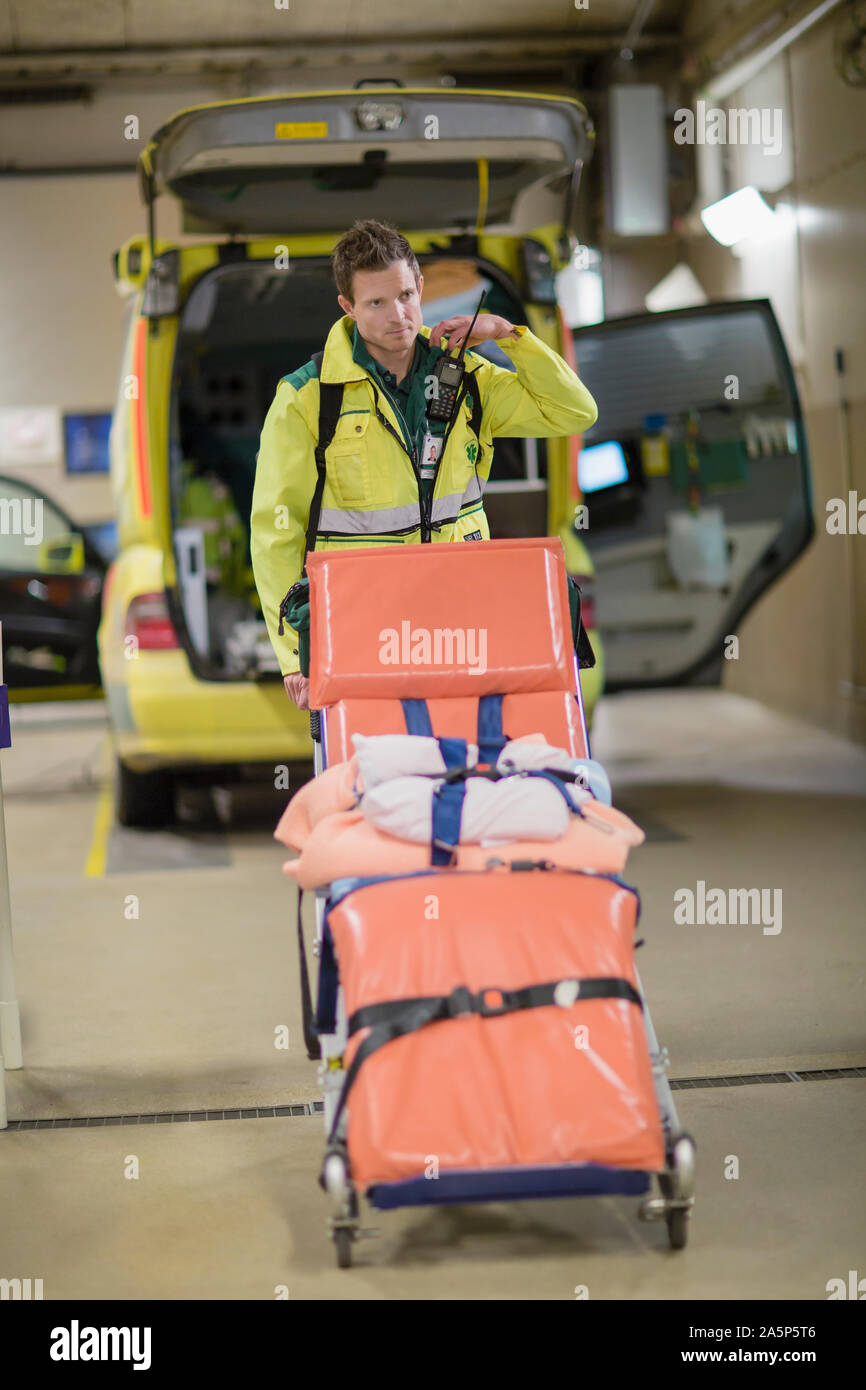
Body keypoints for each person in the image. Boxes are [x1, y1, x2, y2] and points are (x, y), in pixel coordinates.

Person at [250, 219, 598, 709]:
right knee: (374, 755)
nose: (398, 315)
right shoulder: (307, 398)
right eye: (376, 303)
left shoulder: (465, 376)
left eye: (406, 295)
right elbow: (276, 531)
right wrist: (295, 655)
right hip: (362, 628)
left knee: (465, 748)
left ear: (419, 287)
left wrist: (507, 334)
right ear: (348, 307)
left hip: (460, 623)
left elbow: (574, 412)